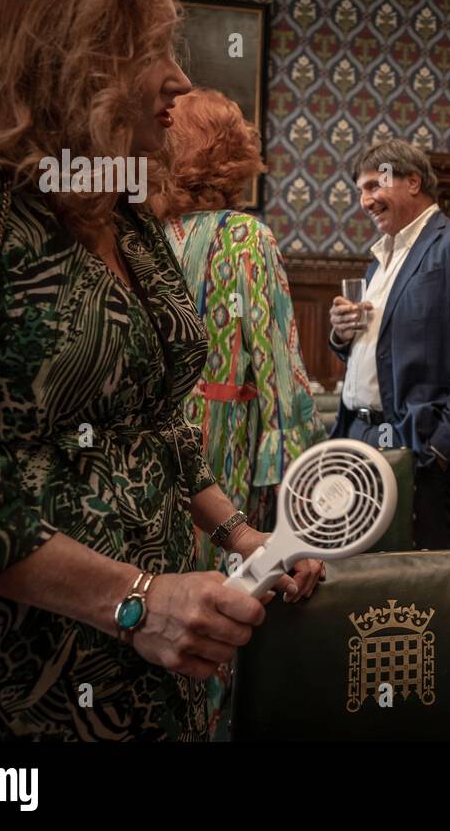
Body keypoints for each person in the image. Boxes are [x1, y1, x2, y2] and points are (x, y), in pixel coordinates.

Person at [0, 0, 321, 741]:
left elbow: (156, 418)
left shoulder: (114, 198)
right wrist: (133, 598)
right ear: (57, 48)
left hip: (140, 667)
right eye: (146, 48)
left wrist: (239, 533)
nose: (177, 82)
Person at [154, 86, 326, 738]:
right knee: (218, 618)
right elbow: (286, 383)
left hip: (144, 464)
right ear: (233, 154)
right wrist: (302, 512)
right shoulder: (245, 239)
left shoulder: (134, 235)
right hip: (219, 465)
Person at [329, 140, 450, 549]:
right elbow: (377, 348)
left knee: (416, 584)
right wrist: (342, 334)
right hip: (358, 436)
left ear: (412, 181)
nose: (365, 201)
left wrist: (442, 450)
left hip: (418, 447)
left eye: (375, 185)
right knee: (361, 568)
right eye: (361, 190)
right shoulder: (380, 259)